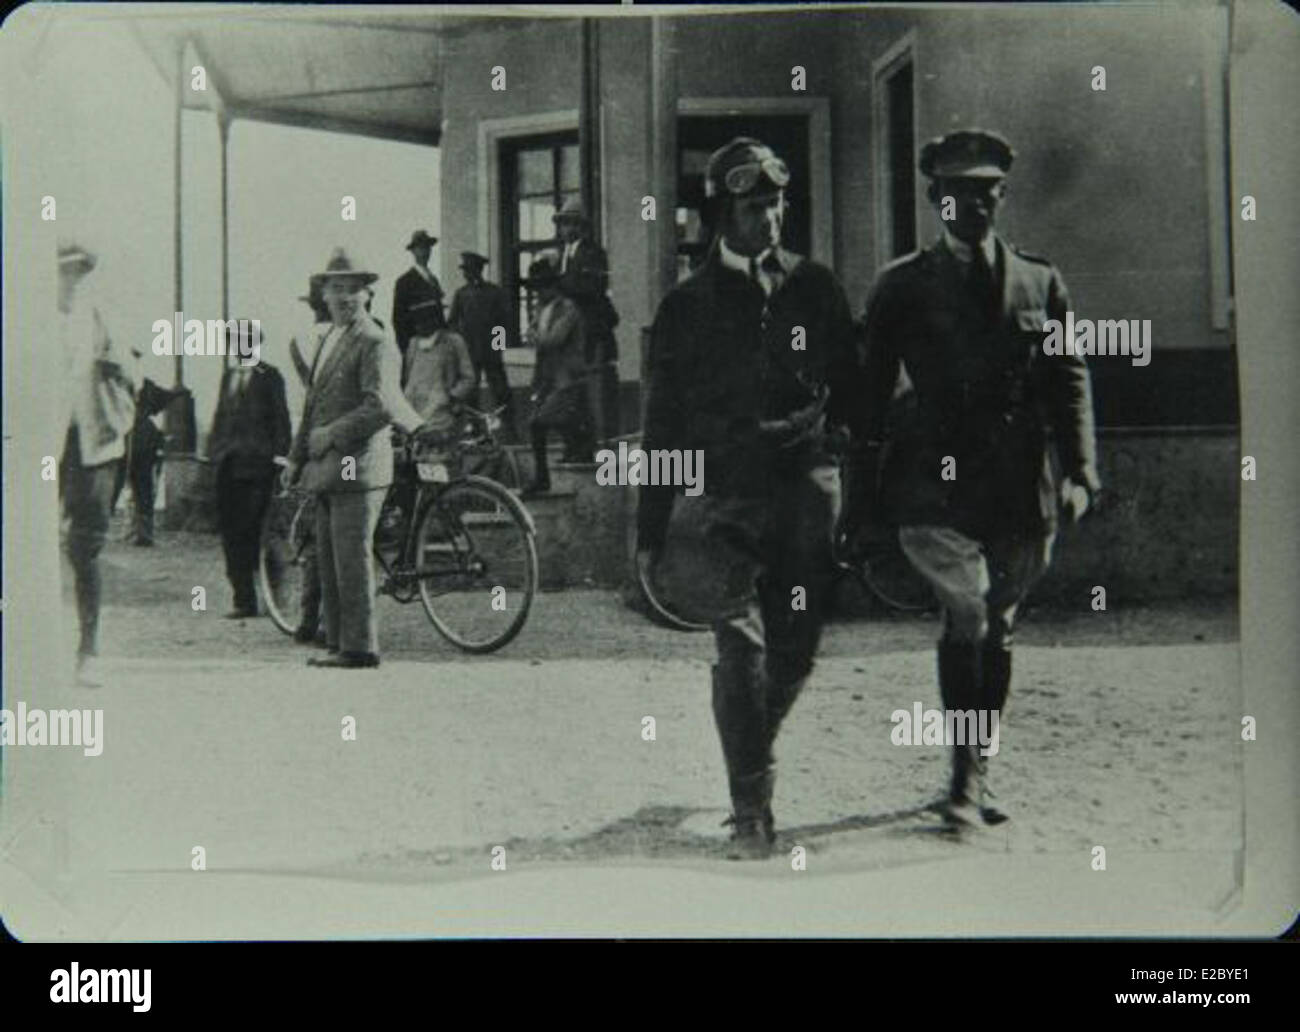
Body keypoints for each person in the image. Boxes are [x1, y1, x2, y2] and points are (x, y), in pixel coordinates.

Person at [860, 129, 1101, 827]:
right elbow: (869, 396)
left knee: (997, 624)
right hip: (931, 482)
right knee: (968, 610)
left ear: (1001, 196)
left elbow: (1068, 378)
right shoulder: (901, 286)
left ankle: (976, 771)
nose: (973, 206)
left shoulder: (1039, 280)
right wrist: (861, 495)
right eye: (957, 194)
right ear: (936, 200)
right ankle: (965, 783)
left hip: (1019, 486)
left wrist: (1081, 469)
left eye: (986, 193)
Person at [636, 138, 867, 859]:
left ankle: (745, 745)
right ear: (720, 215)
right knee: (740, 645)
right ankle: (751, 808)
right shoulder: (685, 306)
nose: (771, 218)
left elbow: (854, 390)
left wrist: (855, 481)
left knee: (795, 650)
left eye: (777, 203)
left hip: (806, 495)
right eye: (754, 205)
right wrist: (650, 530)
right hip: (725, 497)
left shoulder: (816, 287)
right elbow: (662, 422)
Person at [286, 247, 405, 669]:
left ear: (368, 294)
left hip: (360, 467)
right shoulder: (329, 340)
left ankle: (360, 647)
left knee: (352, 558)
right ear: (323, 293)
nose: (344, 297)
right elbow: (312, 406)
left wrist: (331, 435)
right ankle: (339, 643)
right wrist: (296, 460)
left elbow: (381, 407)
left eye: (353, 289)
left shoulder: (375, 340)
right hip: (326, 470)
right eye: (336, 288)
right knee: (332, 558)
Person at [56, 239, 136, 686]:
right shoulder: (27, 319)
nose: (72, 279)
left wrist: (113, 411)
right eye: (65, 270)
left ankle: (88, 650)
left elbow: (130, 378)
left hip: (92, 445)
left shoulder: (98, 319)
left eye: (79, 271)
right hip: (43, 444)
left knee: (85, 547)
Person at [207, 324, 292, 619]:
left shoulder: (270, 376)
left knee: (262, 533)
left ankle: (274, 599)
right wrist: (213, 455)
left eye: (246, 341)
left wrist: (281, 461)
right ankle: (243, 600)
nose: (240, 347)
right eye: (234, 342)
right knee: (232, 535)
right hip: (228, 467)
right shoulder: (228, 377)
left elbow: (281, 421)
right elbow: (219, 417)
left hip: (259, 469)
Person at [554, 197, 620, 454]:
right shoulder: (564, 255)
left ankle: (598, 446)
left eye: (569, 224)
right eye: (562, 224)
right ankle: (577, 445)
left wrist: (560, 286)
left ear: (581, 227)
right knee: (572, 392)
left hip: (591, 334)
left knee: (594, 390)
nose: (565, 230)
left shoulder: (593, 254)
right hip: (571, 335)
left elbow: (594, 289)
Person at [520, 252, 588, 498]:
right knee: (539, 423)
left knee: (541, 422)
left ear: (552, 285)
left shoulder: (568, 308)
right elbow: (532, 334)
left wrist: (536, 337)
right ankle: (548, 471)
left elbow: (552, 339)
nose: (538, 292)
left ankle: (546, 474)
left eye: (542, 287)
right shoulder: (543, 309)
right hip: (548, 378)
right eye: (536, 287)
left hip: (567, 378)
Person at [112, 366, 188, 546]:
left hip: (138, 448)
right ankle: (138, 532)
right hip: (134, 445)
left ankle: (141, 533)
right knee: (137, 491)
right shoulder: (129, 387)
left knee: (140, 490)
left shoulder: (140, 389)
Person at [447, 251, 516, 435]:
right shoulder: (461, 295)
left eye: (471, 270)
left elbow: (503, 322)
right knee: (471, 392)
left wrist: (498, 347)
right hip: (470, 351)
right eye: (466, 270)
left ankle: (508, 427)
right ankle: (476, 429)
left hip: (491, 351)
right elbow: (453, 323)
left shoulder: (494, 292)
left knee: (501, 390)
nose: (468, 274)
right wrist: (459, 347)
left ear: (479, 270)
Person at [391, 230, 444, 381]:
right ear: (413, 252)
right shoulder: (405, 282)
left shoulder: (433, 280)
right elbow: (398, 318)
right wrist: (406, 349)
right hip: (416, 346)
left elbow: (439, 314)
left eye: (428, 248)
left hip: (436, 346)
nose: (425, 252)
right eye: (421, 248)